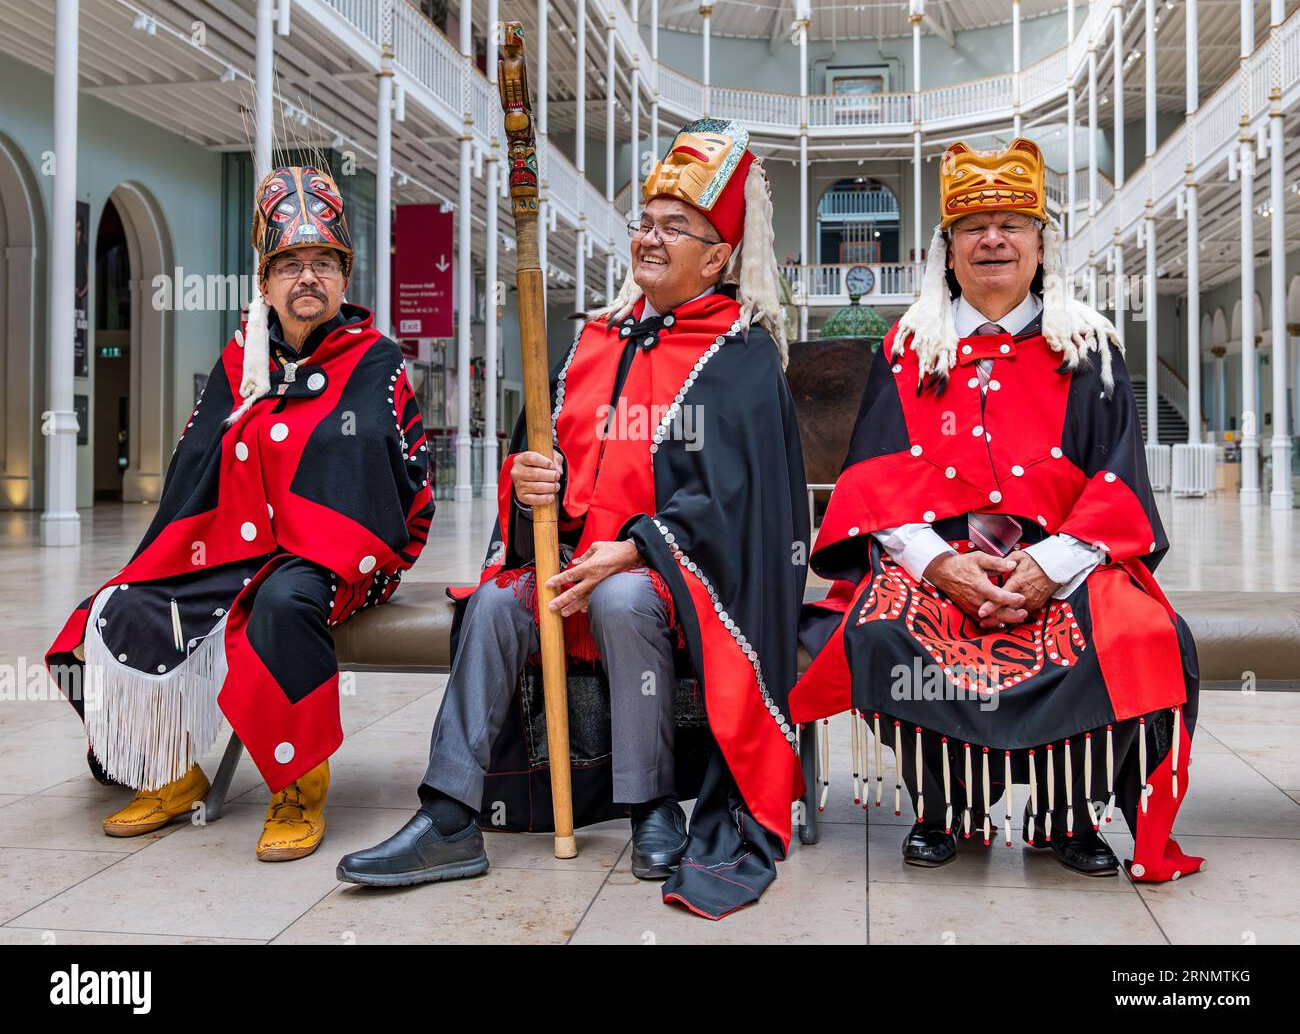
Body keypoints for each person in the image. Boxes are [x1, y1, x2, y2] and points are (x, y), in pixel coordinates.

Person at [339, 119, 810, 918]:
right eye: (645, 223)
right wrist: (528, 485)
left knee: (625, 599)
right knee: (492, 603)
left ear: (719, 254)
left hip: (670, 589)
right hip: (566, 570)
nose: (651, 240)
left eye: (675, 227)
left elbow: (742, 502)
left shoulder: (743, 352)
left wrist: (636, 552)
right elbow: (543, 470)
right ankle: (450, 816)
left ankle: (652, 804)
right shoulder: (592, 339)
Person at [789, 137, 1202, 883]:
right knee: (884, 633)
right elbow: (875, 483)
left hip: (1067, 562)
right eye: (974, 228)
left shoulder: (1089, 349)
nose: (994, 239)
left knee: (1140, 631)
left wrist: (1047, 567)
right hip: (938, 563)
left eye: (1014, 223)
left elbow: (1119, 486)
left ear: (1042, 243)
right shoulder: (910, 349)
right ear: (947, 251)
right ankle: (949, 809)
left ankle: (1067, 815)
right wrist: (942, 565)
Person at [46, 166, 435, 862]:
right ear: (266, 282)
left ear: (345, 279)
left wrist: (321, 532)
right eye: (289, 265)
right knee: (121, 606)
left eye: (323, 263)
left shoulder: (376, 359)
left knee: (284, 603)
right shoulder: (240, 361)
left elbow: (397, 474)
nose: (306, 278)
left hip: (343, 556)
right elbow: (195, 463)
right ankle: (168, 770)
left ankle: (298, 786)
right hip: (231, 544)